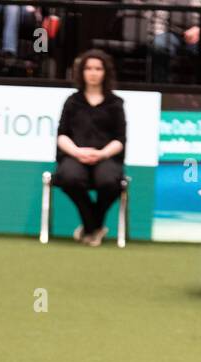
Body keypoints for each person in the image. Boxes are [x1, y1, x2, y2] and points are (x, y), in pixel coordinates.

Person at [53, 49, 126, 247]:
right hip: (75, 156)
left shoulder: (115, 103)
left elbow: (120, 139)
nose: (93, 73)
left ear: (105, 72)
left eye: (98, 68)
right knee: (69, 177)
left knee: (109, 181)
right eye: (88, 68)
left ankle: (89, 227)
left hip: (106, 157)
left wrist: (101, 154)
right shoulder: (72, 101)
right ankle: (94, 226)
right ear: (82, 72)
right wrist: (77, 152)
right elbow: (62, 135)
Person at [150, 0, 201, 85]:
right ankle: (161, 87)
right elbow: (160, 14)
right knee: (159, 45)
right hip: (172, 31)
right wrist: (159, 34)